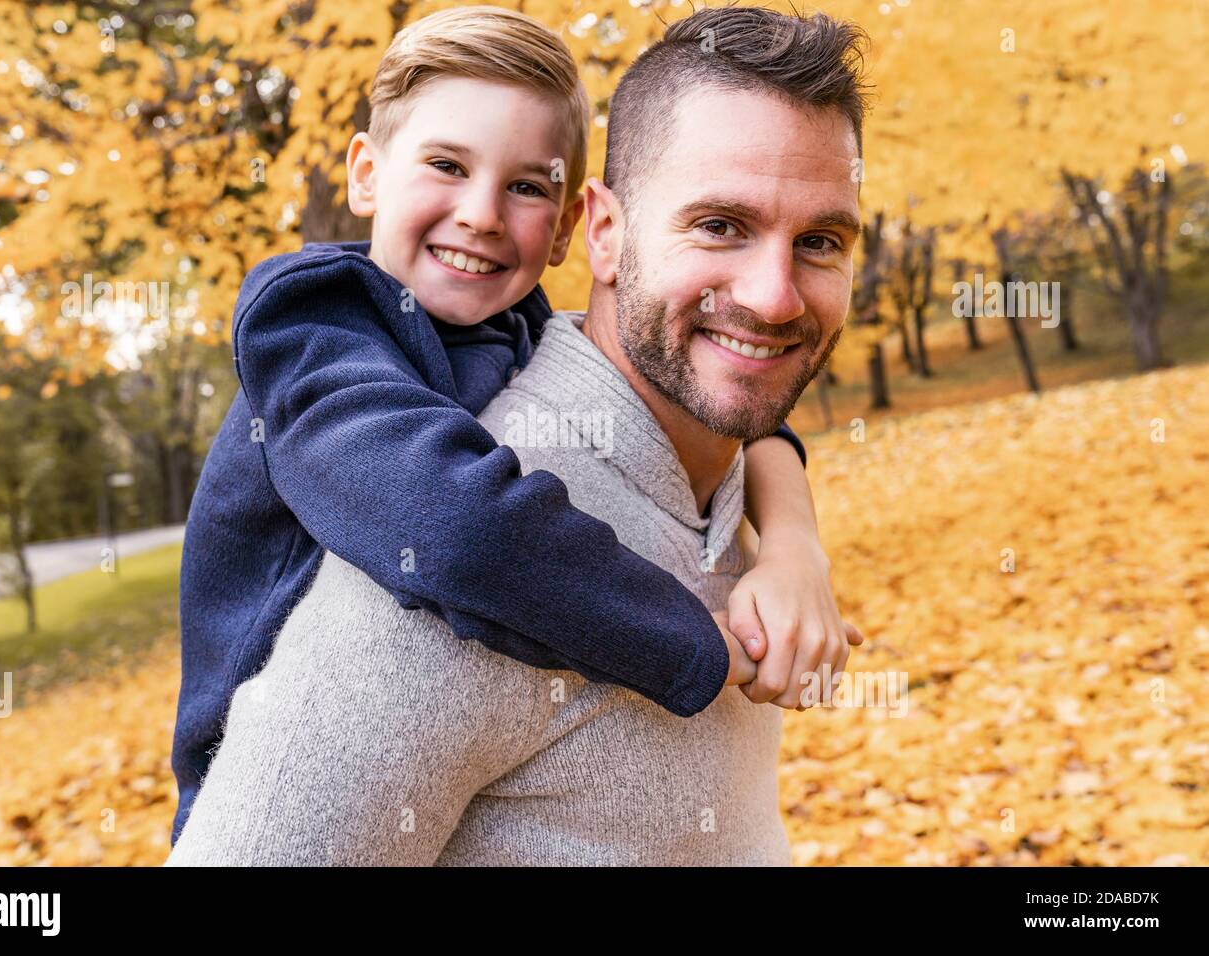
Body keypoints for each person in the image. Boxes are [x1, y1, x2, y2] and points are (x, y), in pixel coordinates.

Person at [168, 3, 868, 865]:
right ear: (609, 235)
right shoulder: (334, 372)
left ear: (572, 224)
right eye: (720, 224)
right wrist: (698, 645)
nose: (774, 298)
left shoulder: (534, 342)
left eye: (822, 241)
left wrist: (795, 545)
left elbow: (758, 416)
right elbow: (458, 534)